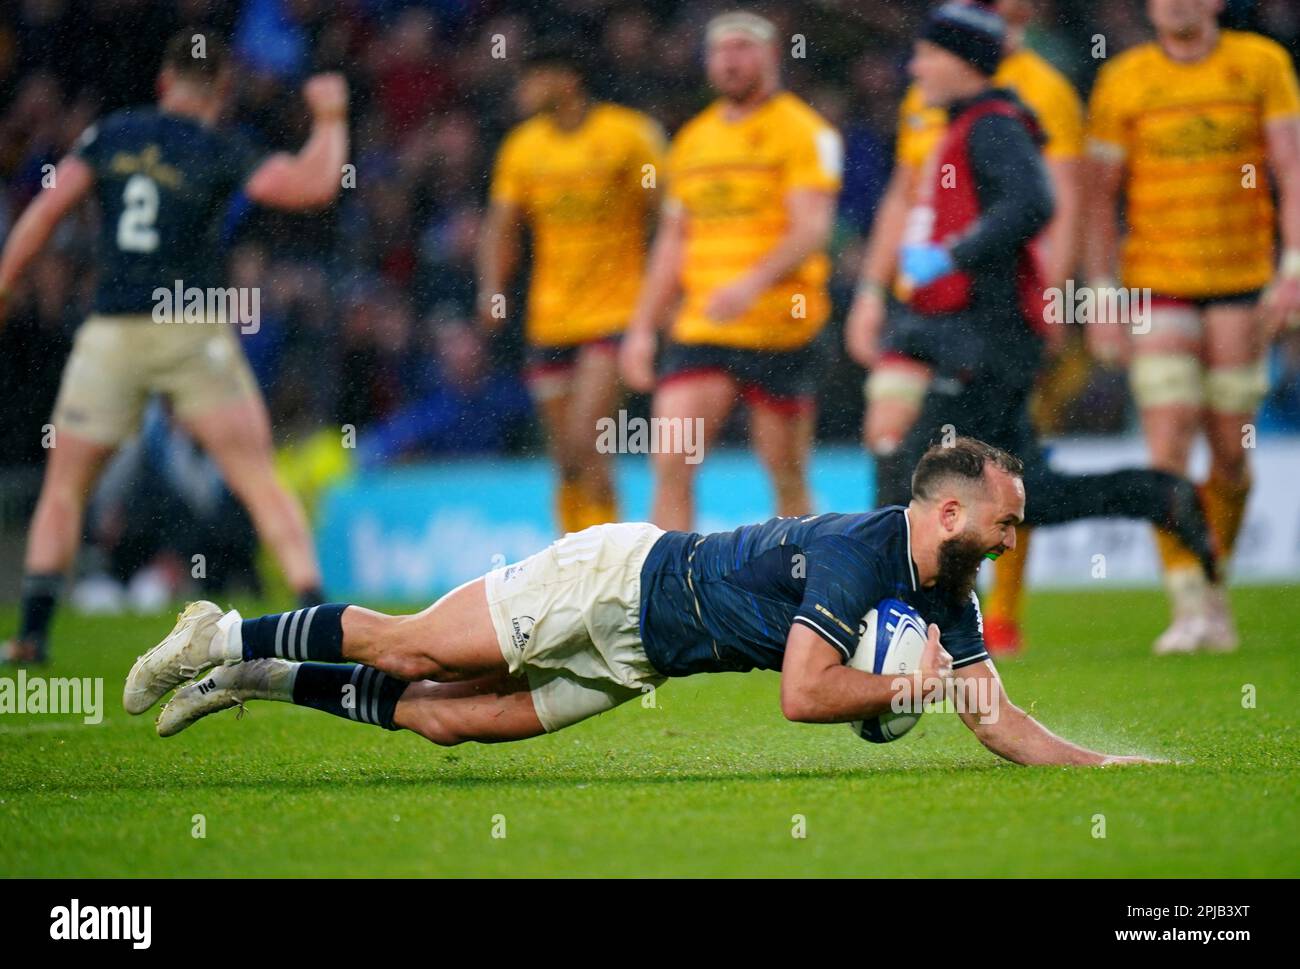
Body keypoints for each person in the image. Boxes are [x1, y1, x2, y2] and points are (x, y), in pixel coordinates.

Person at [127, 437, 1160, 767]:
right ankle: (215, 629)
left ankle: (253, 678)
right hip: (616, 580)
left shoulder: (947, 591)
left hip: (644, 654)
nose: (1012, 539)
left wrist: (1104, 766)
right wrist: (904, 688)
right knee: (412, 654)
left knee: (451, 722)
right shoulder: (856, 553)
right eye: (1004, 523)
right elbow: (805, 698)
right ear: (944, 514)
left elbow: (993, 712)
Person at [843, 2, 1220, 638]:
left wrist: (952, 255)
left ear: (963, 62)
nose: (916, 66)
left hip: (987, 341)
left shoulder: (991, 126)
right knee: (1015, 490)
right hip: (967, 332)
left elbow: (1034, 202)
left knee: (923, 477)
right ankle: (1154, 495)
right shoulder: (974, 123)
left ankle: (907, 621)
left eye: (928, 54)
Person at [0, 30, 349, 663]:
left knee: (63, 487)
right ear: (221, 91)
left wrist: (2, 287)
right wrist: (330, 119)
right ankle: (315, 615)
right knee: (259, 479)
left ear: (163, 83)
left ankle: (31, 636)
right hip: (192, 330)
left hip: (111, 332)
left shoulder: (112, 135)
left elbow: (46, 213)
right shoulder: (219, 147)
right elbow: (312, 186)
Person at [845, 0, 1086, 655]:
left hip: (988, 311)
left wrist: (1053, 297)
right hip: (918, 306)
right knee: (892, 437)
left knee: (994, 463)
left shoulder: (1036, 95)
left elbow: (1054, 199)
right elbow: (904, 192)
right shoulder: (927, 98)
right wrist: (871, 290)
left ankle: (994, 612)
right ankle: (913, 605)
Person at [1084, 0, 1300, 653]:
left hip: (1239, 282)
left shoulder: (1260, 63)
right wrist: (1098, 291)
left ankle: (1213, 583)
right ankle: (1186, 606)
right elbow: (1098, 194)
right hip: (1158, 284)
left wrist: (1292, 265)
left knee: (1231, 453)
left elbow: (1291, 169)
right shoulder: (1123, 78)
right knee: (1168, 441)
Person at [619, 10, 842, 530]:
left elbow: (812, 228)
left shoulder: (806, 132)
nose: (730, 60)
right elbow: (673, 243)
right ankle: (669, 598)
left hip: (780, 325)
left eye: (743, 48)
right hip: (703, 326)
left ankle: (798, 590)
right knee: (672, 463)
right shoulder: (693, 141)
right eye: (720, 50)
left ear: (771, 56)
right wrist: (640, 329)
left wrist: (750, 283)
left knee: (784, 471)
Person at [477, 41, 664, 534]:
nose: (521, 89)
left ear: (567, 78)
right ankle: (576, 557)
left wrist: (663, 292)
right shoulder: (522, 147)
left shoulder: (628, 136)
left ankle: (609, 565)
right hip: (550, 318)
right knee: (566, 458)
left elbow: (667, 214)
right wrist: (491, 288)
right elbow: (502, 225)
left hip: (614, 313)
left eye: (531, 76)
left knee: (589, 437)